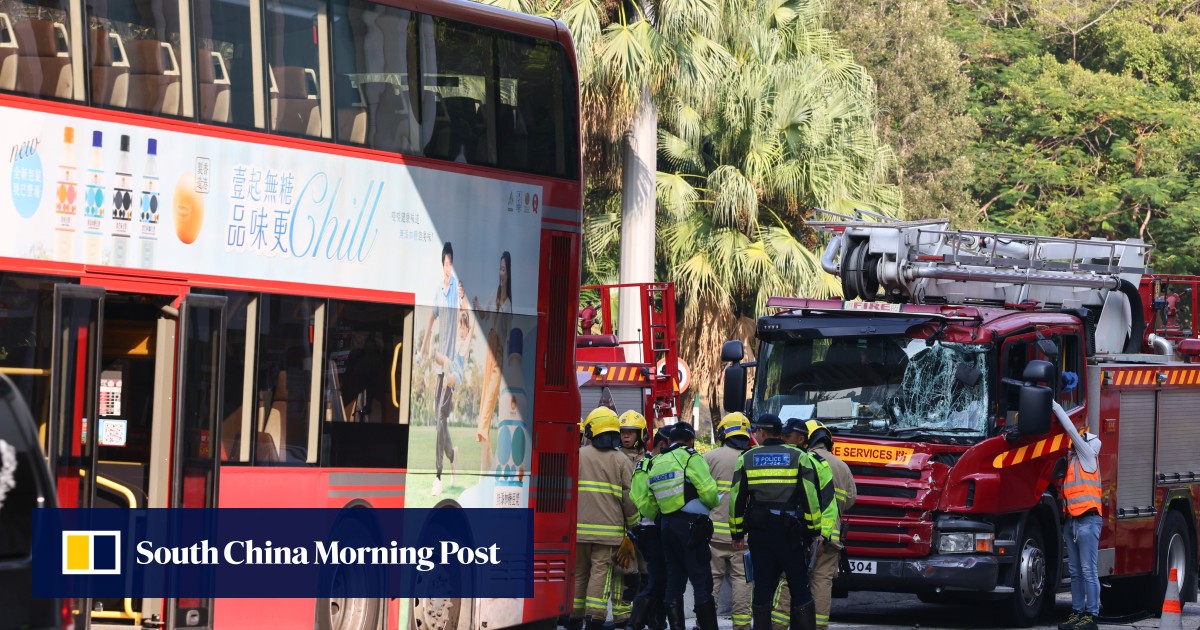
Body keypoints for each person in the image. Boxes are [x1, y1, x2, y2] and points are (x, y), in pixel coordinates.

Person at [730, 413, 836, 630]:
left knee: (762, 587)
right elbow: (810, 498)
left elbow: (736, 499)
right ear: (779, 433)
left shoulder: (747, 458)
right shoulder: (799, 457)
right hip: (790, 532)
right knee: (798, 586)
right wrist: (815, 531)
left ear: (761, 432)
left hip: (759, 533)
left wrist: (737, 533)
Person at [640, 422, 720, 630]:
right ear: (691, 440)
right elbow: (709, 492)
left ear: (670, 440)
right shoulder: (691, 457)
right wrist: (712, 503)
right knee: (701, 580)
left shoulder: (656, 462)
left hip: (666, 527)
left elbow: (648, 505)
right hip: (691, 528)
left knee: (674, 582)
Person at [572, 407, 639, 630]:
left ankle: (573, 617)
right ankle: (595, 618)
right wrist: (634, 526)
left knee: (579, 574)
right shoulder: (621, 460)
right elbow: (629, 500)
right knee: (600, 574)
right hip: (608, 534)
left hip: (577, 531)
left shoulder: (577, 455)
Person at [705, 412, 754, 630]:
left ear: (723, 433)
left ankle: (704, 623)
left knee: (711, 581)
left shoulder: (709, 458)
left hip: (713, 534)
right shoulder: (754, 458)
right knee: (743, 581)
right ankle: (742, 625)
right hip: (743, 536)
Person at [1055, 399, 1102, 630]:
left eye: (1084, 439)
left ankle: (1091, 616)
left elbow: (1071, 431)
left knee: (1087, 570)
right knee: (1075, 572)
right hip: (1073, 523)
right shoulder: (1074, 461)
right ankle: (1077, 612)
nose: (1078, 440)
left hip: (1087, 522)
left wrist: (1054, 405)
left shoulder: (1088, 457)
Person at [418, 242, 460, 496]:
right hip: (439, 368)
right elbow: (431, 321)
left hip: (451, 367)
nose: (449, 268)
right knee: (438, 419)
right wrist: (423, 349)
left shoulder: (457, 290)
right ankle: (453, 452)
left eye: (451, 263)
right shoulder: (438, 292)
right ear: (442, 264)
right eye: (446, 263)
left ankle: (438, 476)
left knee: (439, 420)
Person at [473, 251, 513, 472]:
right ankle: (486, 462)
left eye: (503, 269)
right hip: (491, 346)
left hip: (501, 351)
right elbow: (485, 316)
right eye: (499, 268)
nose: (500, 273)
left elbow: (509, 330)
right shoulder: (495, 293)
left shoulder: (510, 301)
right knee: (485, 402)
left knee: (490, 399)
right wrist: (478, 304)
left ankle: (486, 456)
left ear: (509, 272)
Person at [609, 411, 650, 627]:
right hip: (622, 523)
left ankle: (642, 615)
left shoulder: (649, 460)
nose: (626, 437)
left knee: (645, 571)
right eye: (623, 433)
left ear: (640, 434)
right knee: (625, 572)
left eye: (631, 433)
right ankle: (623, 617)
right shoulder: (615, 458)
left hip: (646, 525)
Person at [629, 430, 672, 630]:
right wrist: (660, 514)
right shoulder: (645, 464)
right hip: (651, 528)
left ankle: (657, 621)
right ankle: (635, 622)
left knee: (665, 579)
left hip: (666, 528)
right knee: (657, 578)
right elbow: (639, 498)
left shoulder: (668, 463)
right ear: (662, 444)